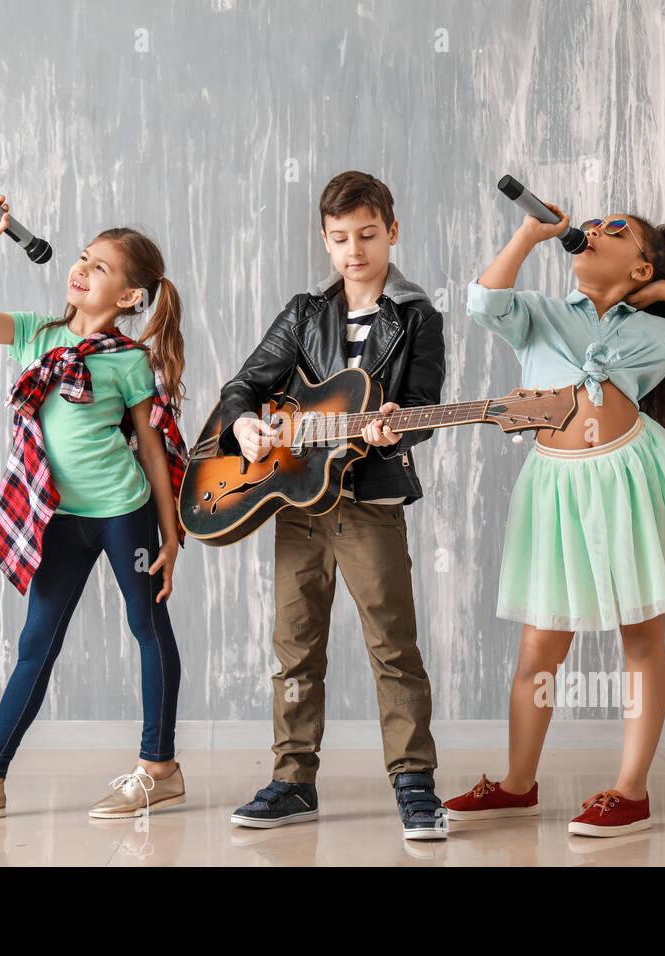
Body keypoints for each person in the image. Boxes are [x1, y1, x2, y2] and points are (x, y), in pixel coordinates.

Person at [443, 204, 665, 837]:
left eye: (619, 230)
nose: (596, 231)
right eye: (594, 225)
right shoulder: (541, 315)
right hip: (555, 490)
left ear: (640, 265)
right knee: (538, 647)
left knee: (640, 639)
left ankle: (631, 791)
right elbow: (483, 301)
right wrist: (531, 234)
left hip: (629, 481)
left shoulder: (651, 328)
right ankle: (516, 785)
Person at [0, 186, 189, 824]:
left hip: (123, 514)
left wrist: (171, 539)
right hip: (57, 518)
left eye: (100, 266)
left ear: (129, 297)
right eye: (82, 257)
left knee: (148, 628)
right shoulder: (35, 336)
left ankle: (160, 769)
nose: (80, 268)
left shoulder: (129, 361)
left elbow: (152, 448)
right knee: (37, 643)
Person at [218, 171, 449, 840]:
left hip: (370, 501)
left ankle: (415, 785)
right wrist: (244, 426)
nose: (355, 251)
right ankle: (292, 783)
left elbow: (428, 409)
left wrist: (397, 425)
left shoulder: (417, 317)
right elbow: (244, 385)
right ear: (325, 238)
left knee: (393, 648)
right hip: (296, 503)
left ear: (392, 233)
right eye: (341, 238)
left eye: (368, 236)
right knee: (294, 650)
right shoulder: (303, 312)